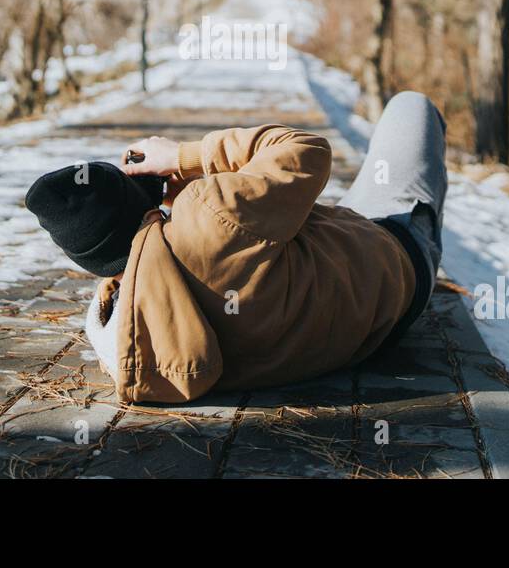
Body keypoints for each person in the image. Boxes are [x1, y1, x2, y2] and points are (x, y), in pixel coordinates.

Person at [24, 91, 448, 404]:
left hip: (349, 322)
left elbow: (210, 253)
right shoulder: (207, 214)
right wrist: (185, 155)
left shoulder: (124, 320)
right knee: (412, 108)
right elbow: (308, 150)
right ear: (143, 203)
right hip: (399, 256)